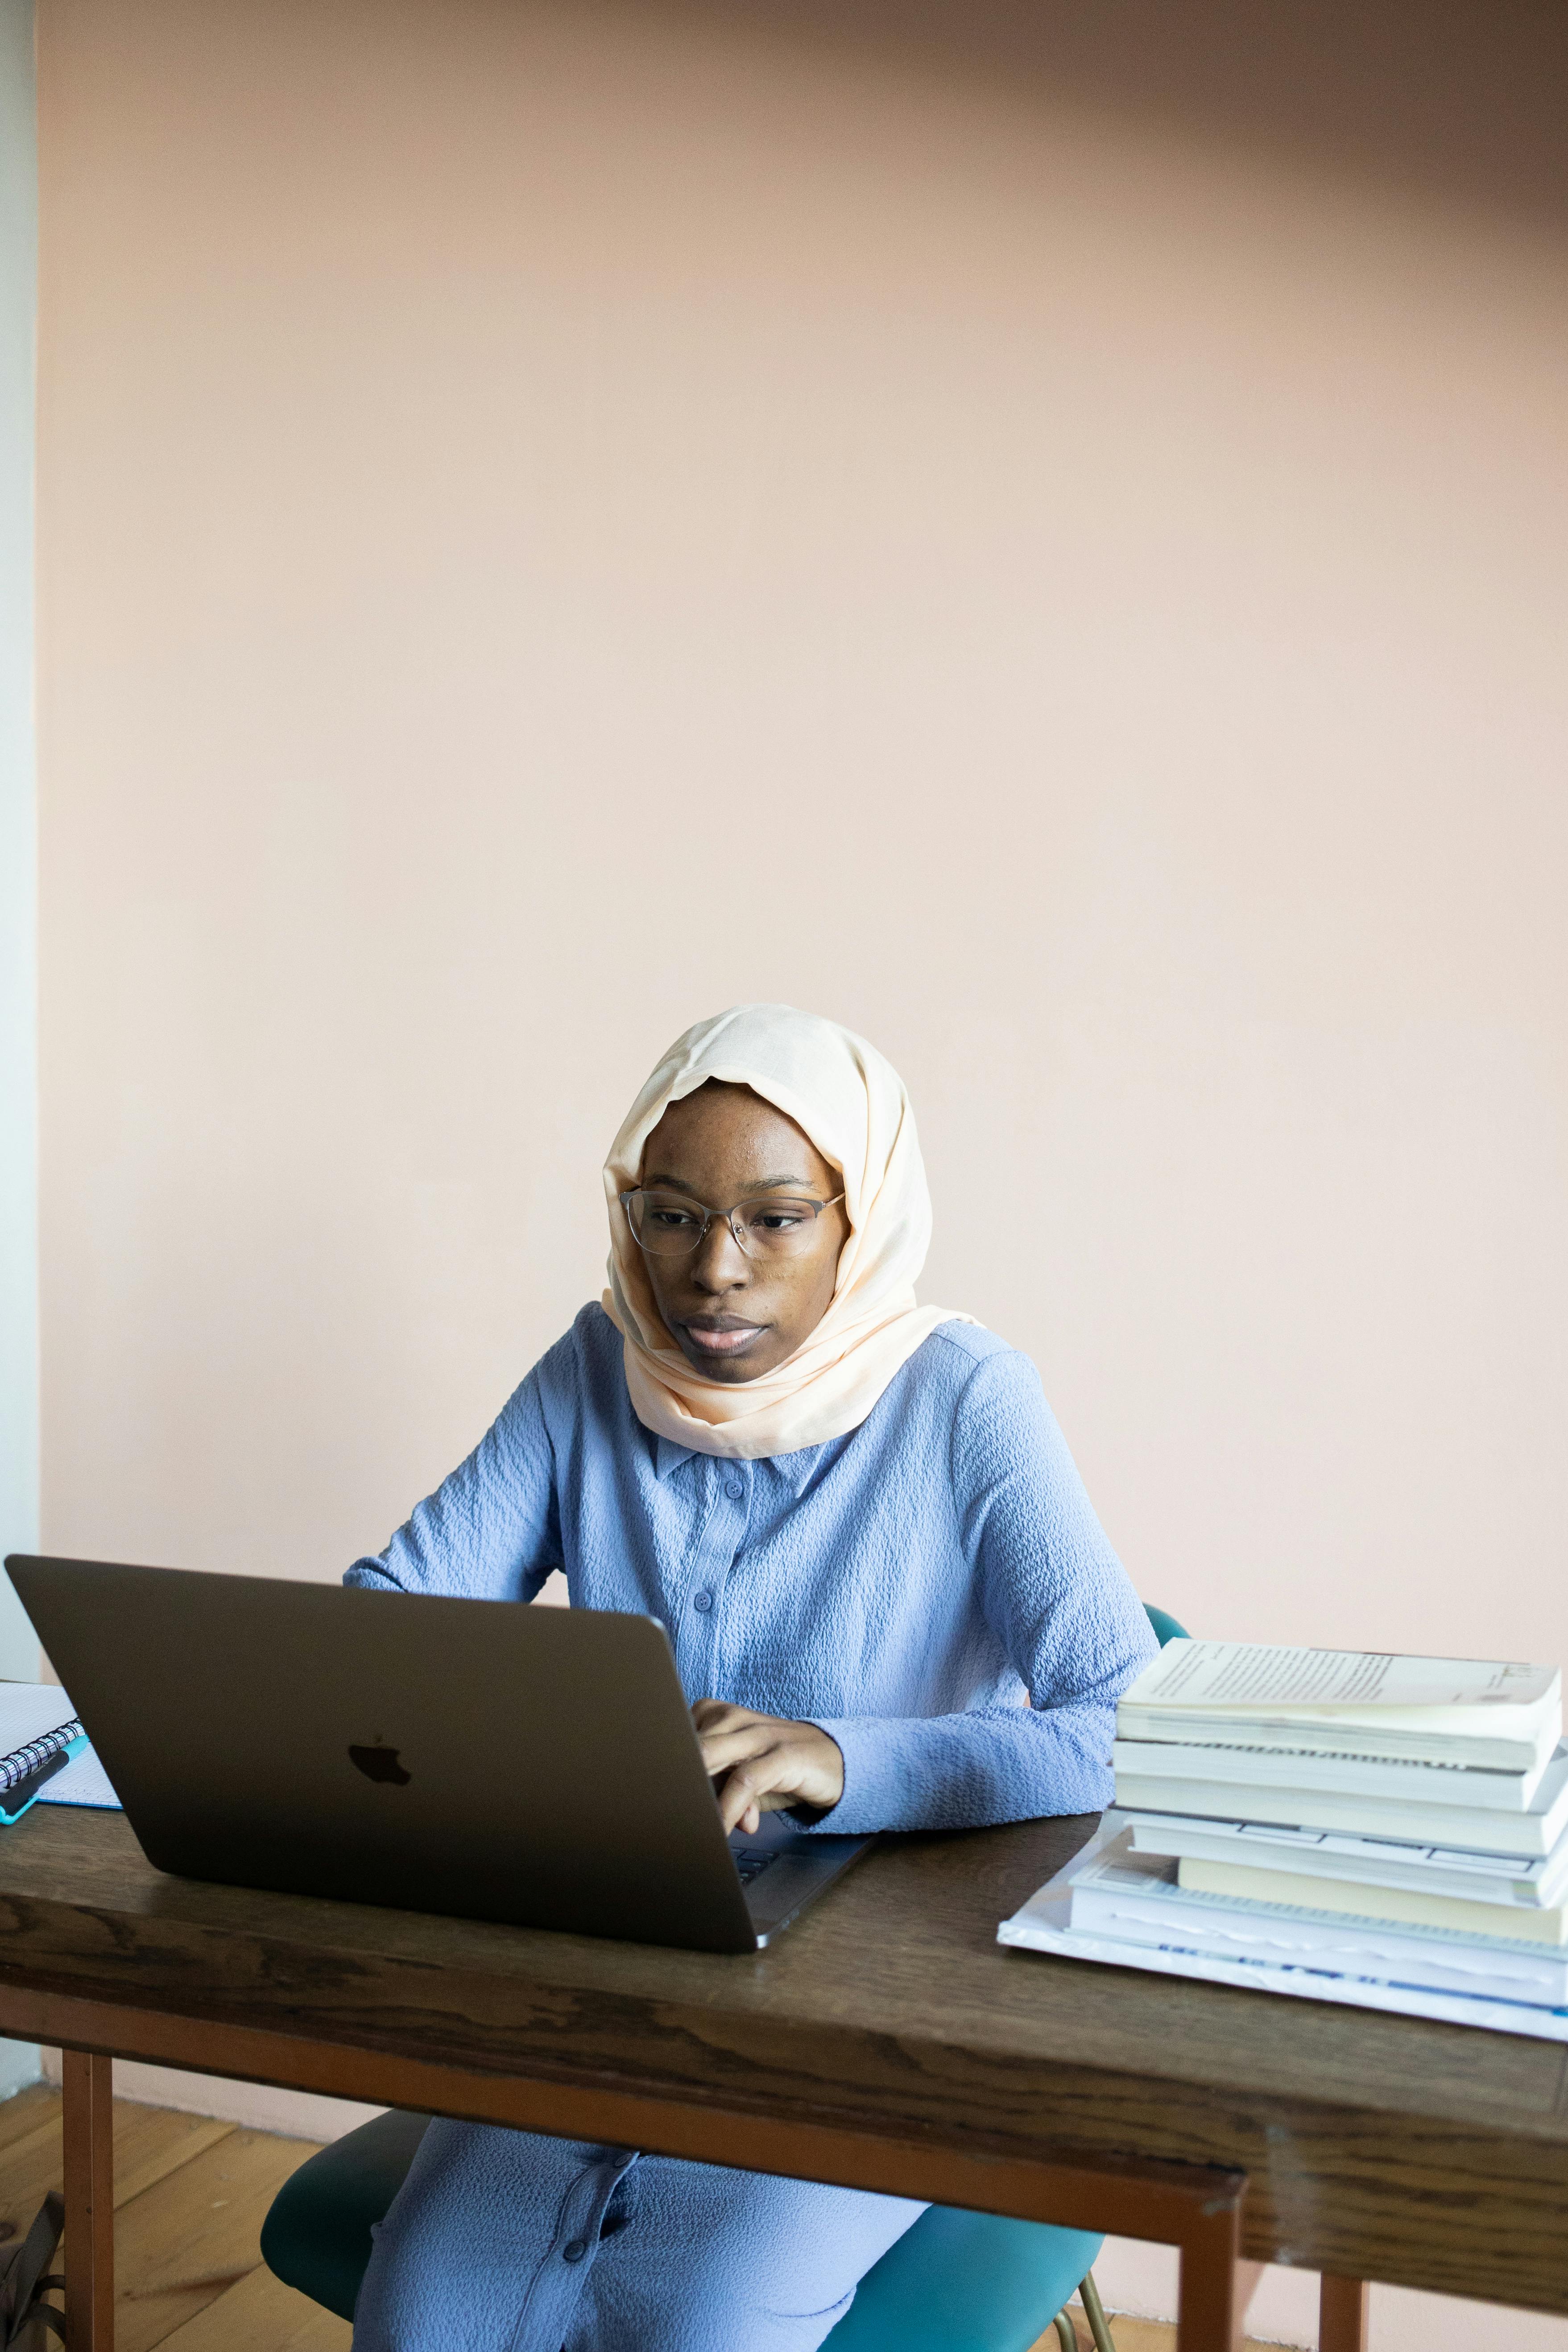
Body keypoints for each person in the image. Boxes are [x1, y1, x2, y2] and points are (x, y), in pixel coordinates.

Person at [348, 1003, 1155, 2352]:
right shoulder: (593, 1367)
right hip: (609, 1956)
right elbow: (389, 1622)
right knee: (428, 2308)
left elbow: (1122, 1724)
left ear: (860, 1220)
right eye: (669, 1216)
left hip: (867, 2003)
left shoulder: (963, 1395)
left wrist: (845, 1758)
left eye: (774, 1220)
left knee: (700, 2319)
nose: (711, 1269)